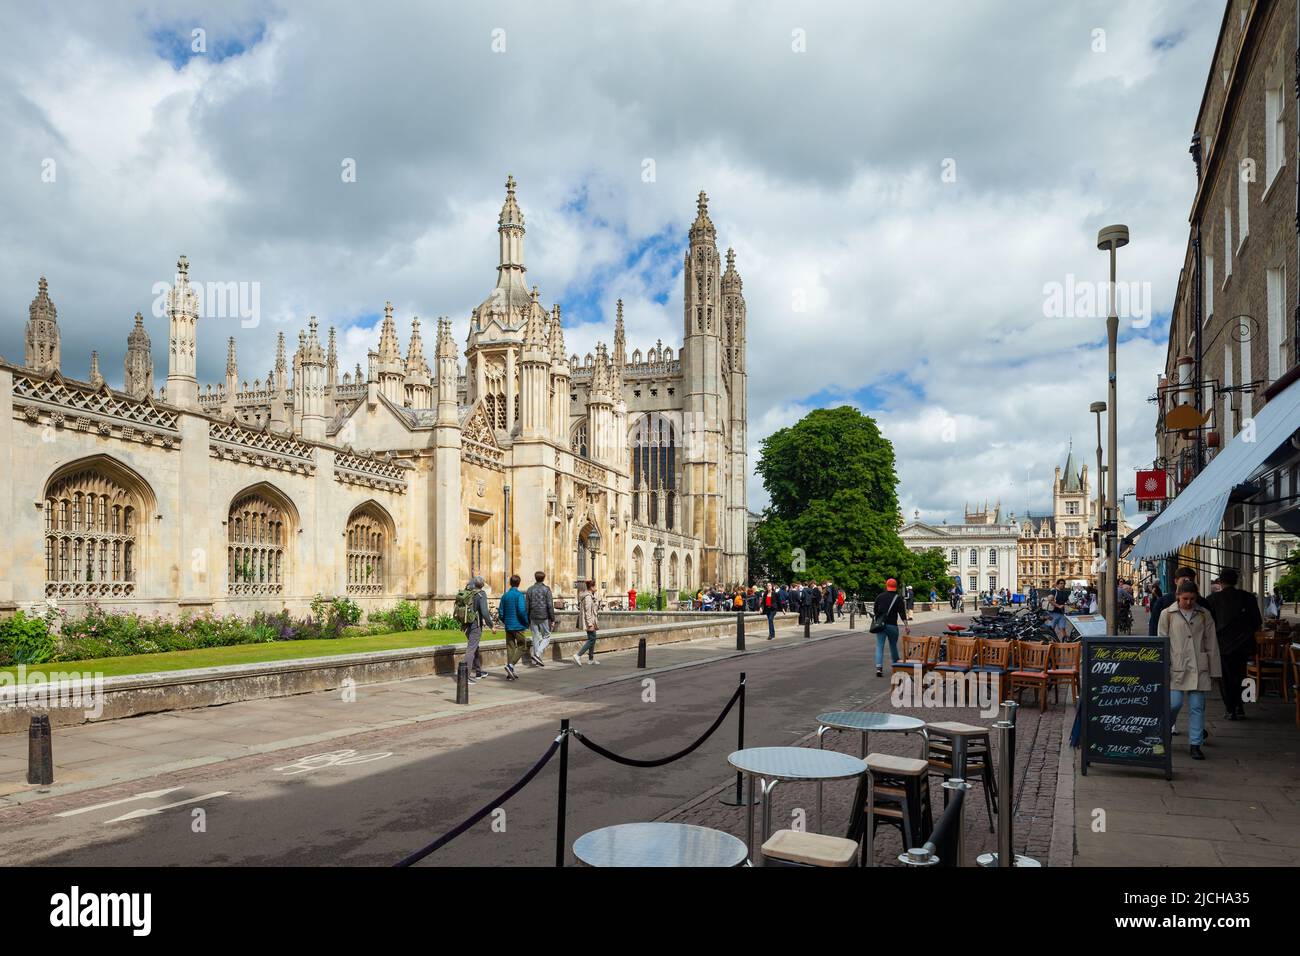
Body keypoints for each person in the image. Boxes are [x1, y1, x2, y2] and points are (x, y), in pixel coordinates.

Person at [1158, 581, 1221, 760]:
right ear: (1178, 596)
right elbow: (1162, 641)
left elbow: (1212, 643)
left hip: (1199, 666)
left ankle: (1195, 744)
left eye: (1192, 598)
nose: (1188, 602)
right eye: (1185, 598)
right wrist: (1162, 667)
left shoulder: (1204, 614)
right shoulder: (1167, 614)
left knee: (1197, 707)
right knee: (1173, 704)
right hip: (1176, 666)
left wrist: (1215, 671)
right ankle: (1165, 732)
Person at [1206, 568, 1261, 720]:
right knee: (1242, 675)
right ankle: (1240, 706)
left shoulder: (1212, 599)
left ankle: (1230, 708)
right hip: (1243, 645)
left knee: (1225, 678)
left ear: (1220, 582)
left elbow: (1208, 625)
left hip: (1222, 645)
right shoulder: (1248, 597)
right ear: (1236, 581)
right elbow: (1257, 622)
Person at [1148, 567, 1209, 635]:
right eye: (1184, 581)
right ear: (1176, 581)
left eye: (1190, 581)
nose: (1187, 584)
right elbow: (1153, 628)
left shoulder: (1203, 604)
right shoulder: (1162, 603)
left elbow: (1210, 634)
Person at [872, 578, 910, 677]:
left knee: (880, 646)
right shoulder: (898, 598)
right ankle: (896, 665)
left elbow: (875, 611)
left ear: (886, 586)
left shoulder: (879, 597)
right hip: (892, 625)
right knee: (893, 645)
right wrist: (906, 626)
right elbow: (902, 614)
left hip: (881, 625)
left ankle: (879, 668)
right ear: (896, 587)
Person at [460, 576, 495, 682]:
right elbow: (484, 612)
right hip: (475, 625)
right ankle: (465, 676)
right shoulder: (481, 594)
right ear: (483, 584)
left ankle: (478, 672)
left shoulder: (469, 592)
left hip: (466, 625)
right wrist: (491, 626)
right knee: (471, 649)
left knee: (475, 647)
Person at [498, 574, 529, 681]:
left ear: (510, 583)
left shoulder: (505, 596)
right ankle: (511, 665)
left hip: (508, 626)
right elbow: (521, 611)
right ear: (519, 583)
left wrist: (505, 621)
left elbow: (500, 612)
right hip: (518, 626)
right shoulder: (519, 595)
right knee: (522, 646)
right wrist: (526, 622)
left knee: (510, 648)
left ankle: (510, 673)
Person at [526, 570, 556, 666]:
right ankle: (537, 654)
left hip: (533, 616)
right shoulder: (546, 589)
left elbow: (527, 606)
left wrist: (527, 618)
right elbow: (550, 605)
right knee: (546, 636)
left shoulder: (530, 589)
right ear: (543, 578)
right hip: (544, 616)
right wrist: (553, 619)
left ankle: (536, 660)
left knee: (535, 636)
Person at [574, 579, 601, 665]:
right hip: (589, 621)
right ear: (591, 587)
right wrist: (590, 624)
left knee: (592, 638)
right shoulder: (588, 597)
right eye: (595, 586)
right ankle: (578, 655)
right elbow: (587, 612)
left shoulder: (590, 595)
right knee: (592, 639)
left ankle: (590, 659)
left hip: (591, 620)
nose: (596, 588)